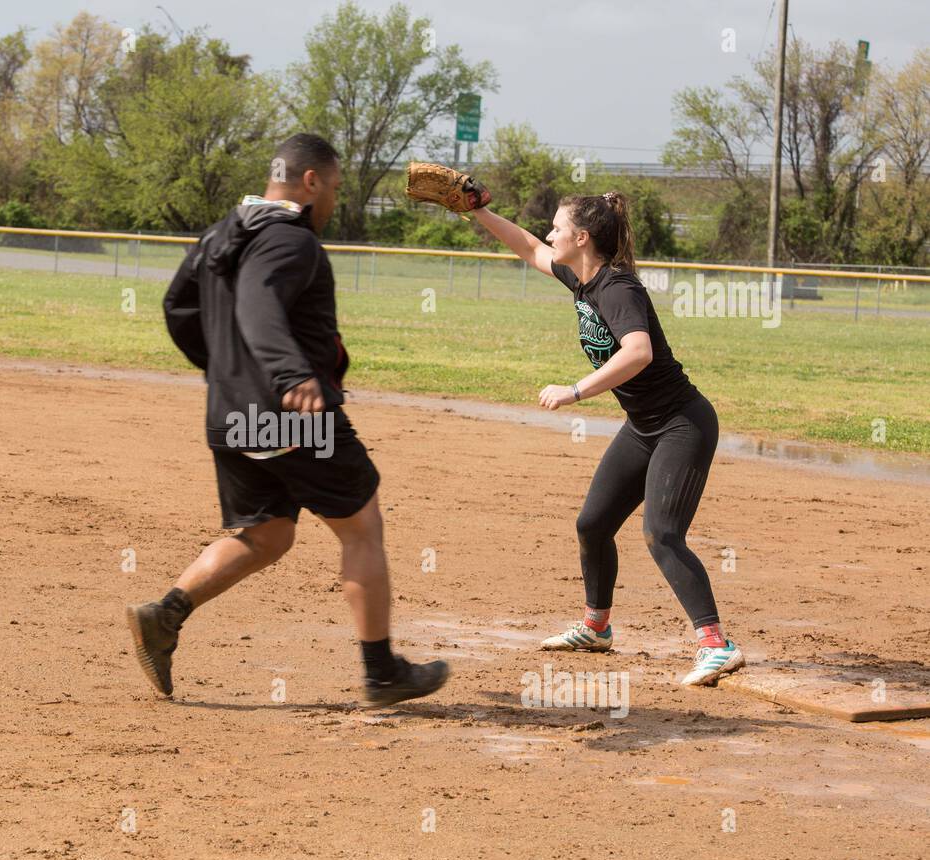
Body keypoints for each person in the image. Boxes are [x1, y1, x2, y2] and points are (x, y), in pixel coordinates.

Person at [125, 133, 450, 706]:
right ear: (310, 181)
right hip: (291, 414)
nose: (334, 201)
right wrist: (286, 374)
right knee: (362, 527)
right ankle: (382, 673)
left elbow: (179, 307)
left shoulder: (222, 233)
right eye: (335, 188)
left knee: (268, 534)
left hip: (232, 415)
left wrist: (226, 373)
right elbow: (258, 302)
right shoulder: (288, 239)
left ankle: (164, 615)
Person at [414, 171, 743, 686]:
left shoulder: (618, 287)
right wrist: (477, 211)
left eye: (558, 227)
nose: (550, 234)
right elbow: (527, 247)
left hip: (683, 425)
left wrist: (575, 391)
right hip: (644, 426)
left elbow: (639, 352)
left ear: (582, 238)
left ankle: (716, 645)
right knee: (592, 524)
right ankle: (596, 627)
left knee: (662, 534)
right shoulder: (582, 278)